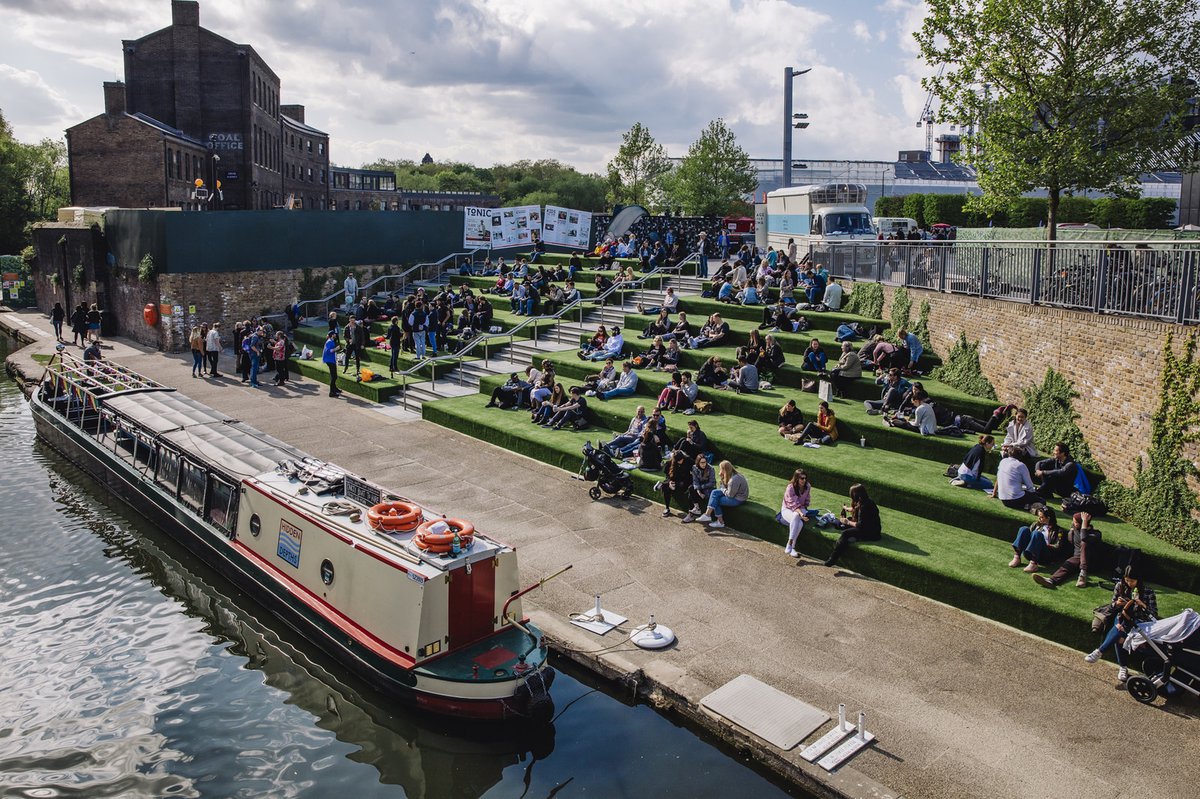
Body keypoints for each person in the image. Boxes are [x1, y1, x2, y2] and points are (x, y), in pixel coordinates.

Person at [1084, 569, 1158, 682]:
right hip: (1121, 616)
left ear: (1138, 579)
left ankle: (1103, 654)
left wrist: (1142, 604)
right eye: (1127, 580)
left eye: (1132, 581)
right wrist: (1117, 603)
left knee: (1120, 637)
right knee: (1120, 628)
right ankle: (1118, 664)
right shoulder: (1120, 585)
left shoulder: (1148, 591)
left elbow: (1154, 614)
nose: (1129, 583)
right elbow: (1112, 605)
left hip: (1139, 620)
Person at [1033, 512, 1097, 589]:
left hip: (1090, 562)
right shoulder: (1076, 529)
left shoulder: (1096, 534)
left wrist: (1084, 523)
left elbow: (1084, 538)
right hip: (1077, 558)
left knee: (1084, 543)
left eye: (1075, 522)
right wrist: (1071, 529)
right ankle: (1051, 581)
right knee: (1068, 564)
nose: (1073, 523)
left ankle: (1083, 574)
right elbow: (1070, 540)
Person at [825, 484, 881, 567]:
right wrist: (846, 508)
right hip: (869, 526)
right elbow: (856, 509)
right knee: (843, 522)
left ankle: (833, 559)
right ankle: (853, 537)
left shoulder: (865, 506)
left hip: (871, 533)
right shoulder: (865, 501)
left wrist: (848, 522)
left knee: (845, 533)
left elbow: (860, 525)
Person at [1008, 505, 1067, 573]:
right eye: (1039, 517)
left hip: (1044, 555)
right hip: (1030, 552)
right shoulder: (1036, 525)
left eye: (1042, 517)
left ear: (1048, 518)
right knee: (1024, 529)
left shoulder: (1059, 530)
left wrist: (1045, 544)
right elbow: (1028, 536)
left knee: (1037, 534)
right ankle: (1017, 557)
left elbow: (1058, 546)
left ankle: (1034, 564)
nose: (1039, 519)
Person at [695, 461, 748, 529]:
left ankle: (718, 521)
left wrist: (723, 489)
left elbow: (730, 495)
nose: (720, 471)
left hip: (738, 499)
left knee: (716, 499)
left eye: (721, 469)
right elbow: (725, 488)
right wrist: (722, 479)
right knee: (714, 492)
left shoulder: (734, 479)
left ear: (724, 469)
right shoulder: (732, 474)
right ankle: (708, 515)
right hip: (735, 495)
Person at [780, 469, 818, 557]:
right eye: (802, 478)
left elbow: (807, 500)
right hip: (787, 509)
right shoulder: (790, 487)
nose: (804, 480)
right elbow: (793, 505)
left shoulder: (808, 486)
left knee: (797, 517)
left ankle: (790, 546)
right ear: (797, 478)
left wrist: (804, 510)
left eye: (805, 478)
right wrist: (801, 514)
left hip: (801, 508)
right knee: (799, 522)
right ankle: (791, 545)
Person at [991, 445, 1040, 509]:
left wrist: (994, 493)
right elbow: (1029, 485)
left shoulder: (1003, 461)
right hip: (1016, 499)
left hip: (1003, 499)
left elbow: (998, 478)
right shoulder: (1021, 465)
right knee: (1041, 501)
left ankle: (1026, 506)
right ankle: (1029, 507)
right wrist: (1033, 495)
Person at [658, 449, 692, 517]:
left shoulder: (688, 460)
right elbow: (668, 475)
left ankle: (662, 484)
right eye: (678, 461)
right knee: (666, 487)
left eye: (681, 460)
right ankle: (667, 508)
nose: (680, 462)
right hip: (674, 482)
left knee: (668, 484)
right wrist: (670, 482)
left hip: (684, 482)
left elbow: (690, 476)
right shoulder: (670, 463)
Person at [322, 331, 342, 398]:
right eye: (334, 334)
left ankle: (334, 389)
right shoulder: (329, 342)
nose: (335, 335)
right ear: (331, 335)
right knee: (334, 376)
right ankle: (331, 392)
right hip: (329, 360)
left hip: (331, 360)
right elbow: (328, 351)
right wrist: (335, 349)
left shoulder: (331, 341)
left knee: (334, 375)